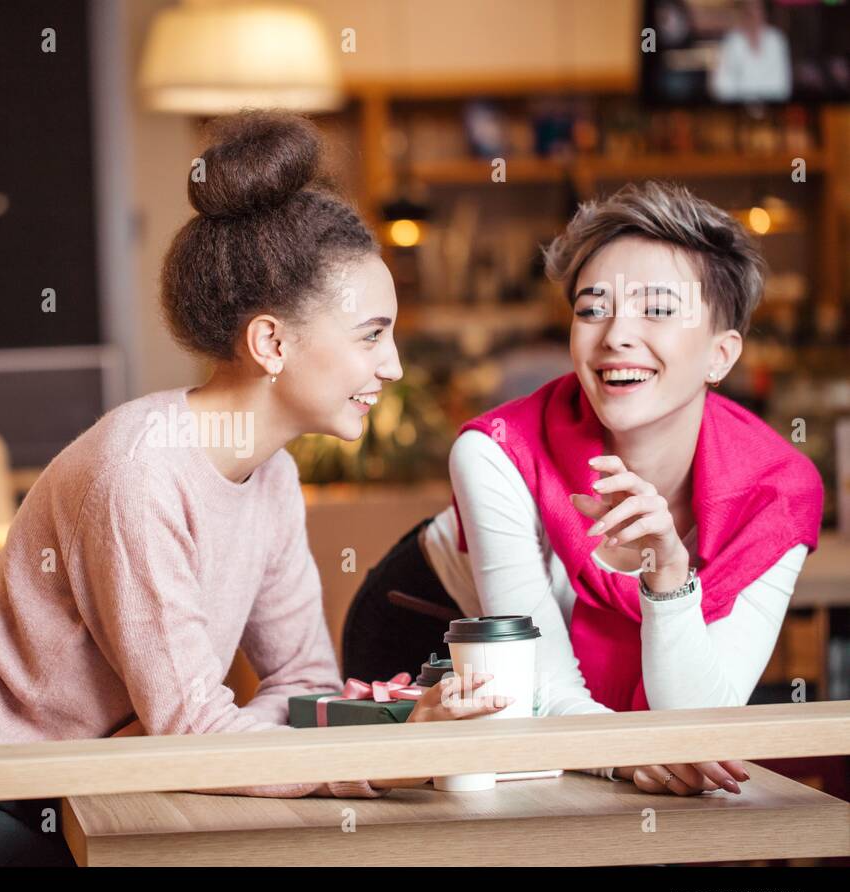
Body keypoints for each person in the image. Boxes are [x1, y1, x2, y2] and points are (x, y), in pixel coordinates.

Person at [0, 109, 509, 867]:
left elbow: (301, 682)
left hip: (50, 784)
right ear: (272, 342)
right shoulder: (142, 469)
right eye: (372, 335)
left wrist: (397, 726)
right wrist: (374, 751)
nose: (394, 366)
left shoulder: (271, 474)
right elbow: (193, 733)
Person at [344, 180, 823, 799]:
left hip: (576, 701)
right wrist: (624, 754)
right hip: (436, 632)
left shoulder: (777, 492)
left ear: (721, 354)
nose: (616, 335)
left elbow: (702, 728)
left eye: (656, 308)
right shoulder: (495, 454)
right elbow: (539, 685)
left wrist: (669, 575)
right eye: (593, 308)